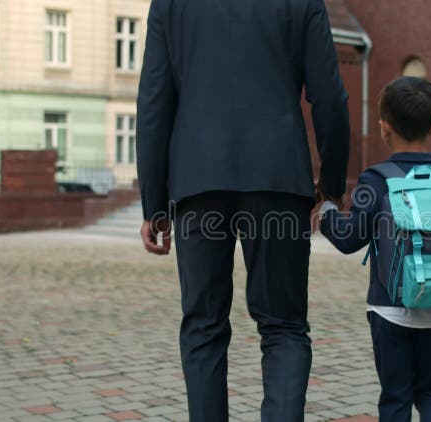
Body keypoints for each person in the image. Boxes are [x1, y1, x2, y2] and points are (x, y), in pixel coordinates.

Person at [135, 0, 350, 421]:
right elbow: (329, 95)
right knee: (284, 326)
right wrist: (332, 184)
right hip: (278, 180)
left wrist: (155, 203)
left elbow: (154, 100)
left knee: (203, 326)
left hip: (198, 182)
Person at [319, 77, 431, 422]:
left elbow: (350, 239)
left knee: (396, 398)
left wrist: (326, 212)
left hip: (390, 310)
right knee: (429, 391)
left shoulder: (376, 181)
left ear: (384, 129)